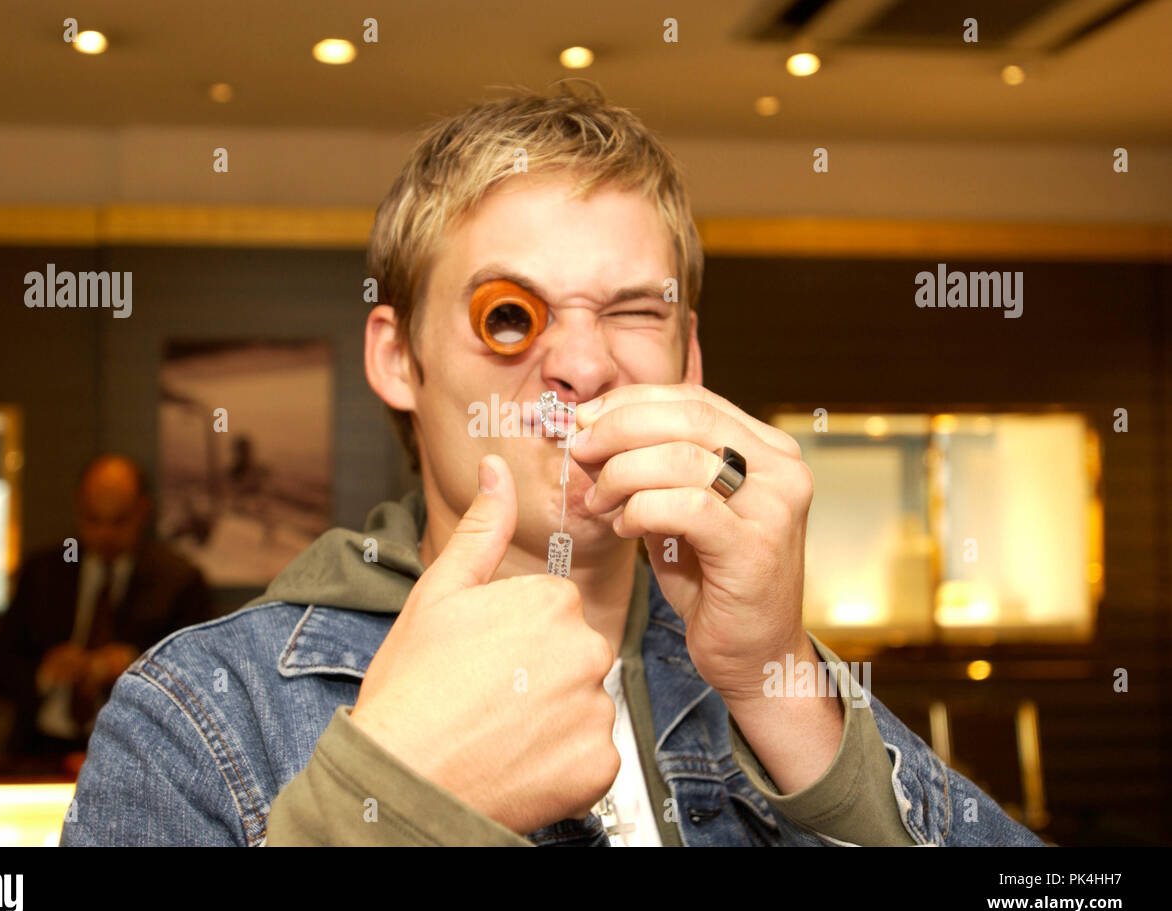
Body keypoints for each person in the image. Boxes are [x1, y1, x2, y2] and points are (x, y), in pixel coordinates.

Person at [63, 82, 1043, 846]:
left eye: (631, 311)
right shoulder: (196, 713)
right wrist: (388, 805)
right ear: (397, 359)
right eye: (508, 316)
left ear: (688, 360)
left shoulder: (764, 677)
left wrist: (781, 685)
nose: (580, 362)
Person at [0, 454, 213, 762]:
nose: (105, 534)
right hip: (42, 749)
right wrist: (45, 671)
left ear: (142, 510)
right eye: (93, 519)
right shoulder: (44, 572)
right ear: (78, 508)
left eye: (119, 521)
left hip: (136, 754)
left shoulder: (178, 581)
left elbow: (202, 681)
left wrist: (135, 667)